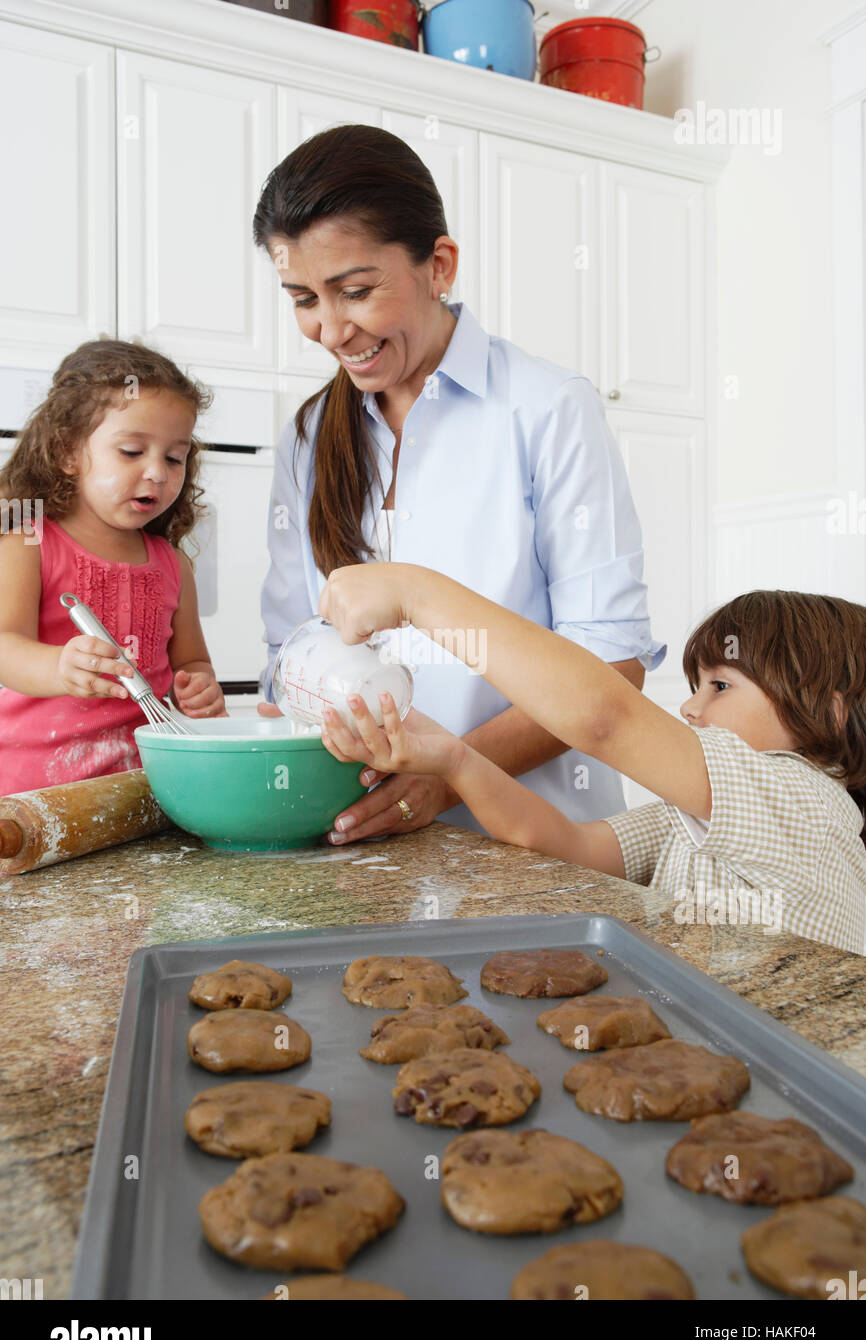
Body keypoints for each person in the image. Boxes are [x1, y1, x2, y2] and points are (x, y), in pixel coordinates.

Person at [253, 123, 663, 845]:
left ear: (439, 264)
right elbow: (291, 648)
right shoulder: (311, 436)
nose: (328, 330)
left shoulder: (546, 407)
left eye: (353, 291)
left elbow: (611, 665)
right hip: (362, 839)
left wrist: (446, 776)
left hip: (541, 844)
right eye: (302, 298)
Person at [317, 563, 866, 956]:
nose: (690, 706)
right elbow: (564, 844)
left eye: (720, 685)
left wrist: (418, 595)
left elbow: (605, 719)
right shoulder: (698, 816)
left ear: (831, 711)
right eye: (697, 685)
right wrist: (454, 760)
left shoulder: (803, 801)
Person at [0, 339, 226, 796]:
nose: (158, 473)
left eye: (173, 457)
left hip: (148, 786)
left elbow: (192, 661)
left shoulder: (172, 564)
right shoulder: (28, 543)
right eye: (131, 452)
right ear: (68, 451)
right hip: (35, 791)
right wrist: (59, 667)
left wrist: (199, 688)